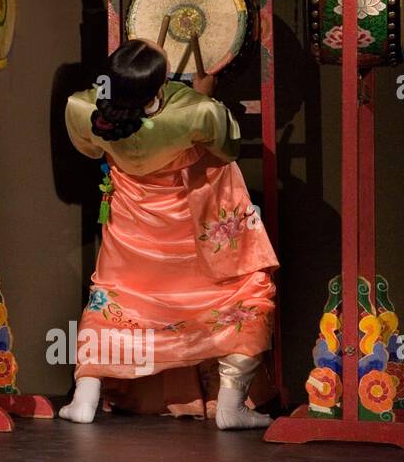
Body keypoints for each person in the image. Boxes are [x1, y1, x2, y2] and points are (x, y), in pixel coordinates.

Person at [61, 39, 277, 428]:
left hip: (132, 232)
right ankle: (230, 406)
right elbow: (228, 149)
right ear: (159, 87)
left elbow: (90, 151)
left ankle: (84, 399)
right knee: (246, 297)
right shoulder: (197, 113)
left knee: (114, 301)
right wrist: (203, 96)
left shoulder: (82, 108)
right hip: (188, 234)